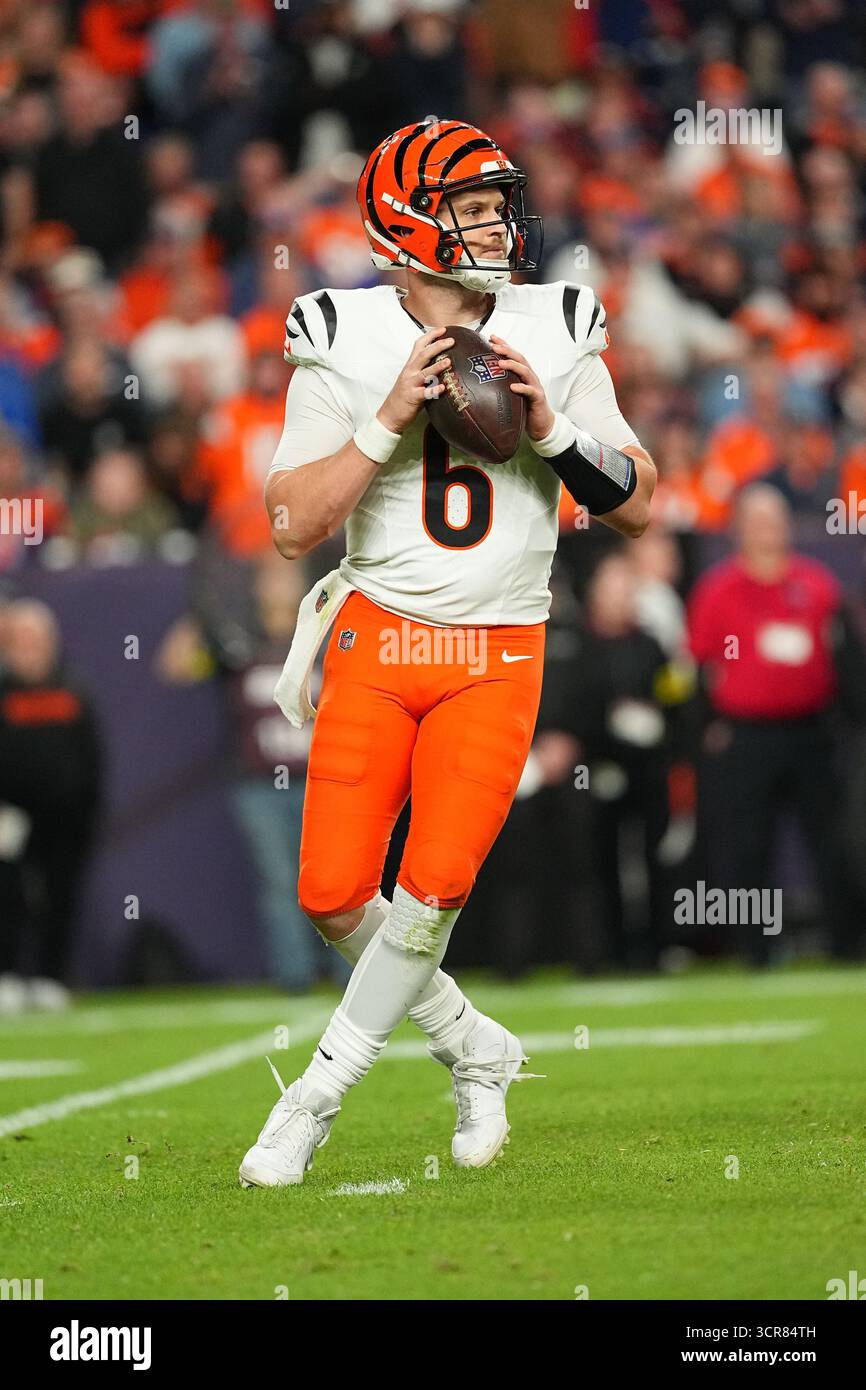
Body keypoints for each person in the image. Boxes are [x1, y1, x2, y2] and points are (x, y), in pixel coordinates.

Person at [239, 115, 656, 1187]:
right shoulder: (338, 329)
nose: (496, 225)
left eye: (495, 204)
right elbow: (289, 521)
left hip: (499, 648)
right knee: (331, 892)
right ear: (407, 223)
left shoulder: (554, 321)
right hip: (377, 638)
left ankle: (314, 1094)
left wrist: (554, 430)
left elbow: (640, 504)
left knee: (429, 886)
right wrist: (384, 420)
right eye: (471, 207)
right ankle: (474, 1047)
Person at [687, 484, 856, 963]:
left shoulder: (817, 583)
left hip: (810, 729)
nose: (767, 531)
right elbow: (697, 666)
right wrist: (709, 725)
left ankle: (844, 941)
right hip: (746, 734)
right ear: (739, 529)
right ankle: (756, 949)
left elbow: (842, 659)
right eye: (757, 521)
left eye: (775, 521)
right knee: (747, 844)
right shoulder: (718, 591)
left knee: (829, 837)